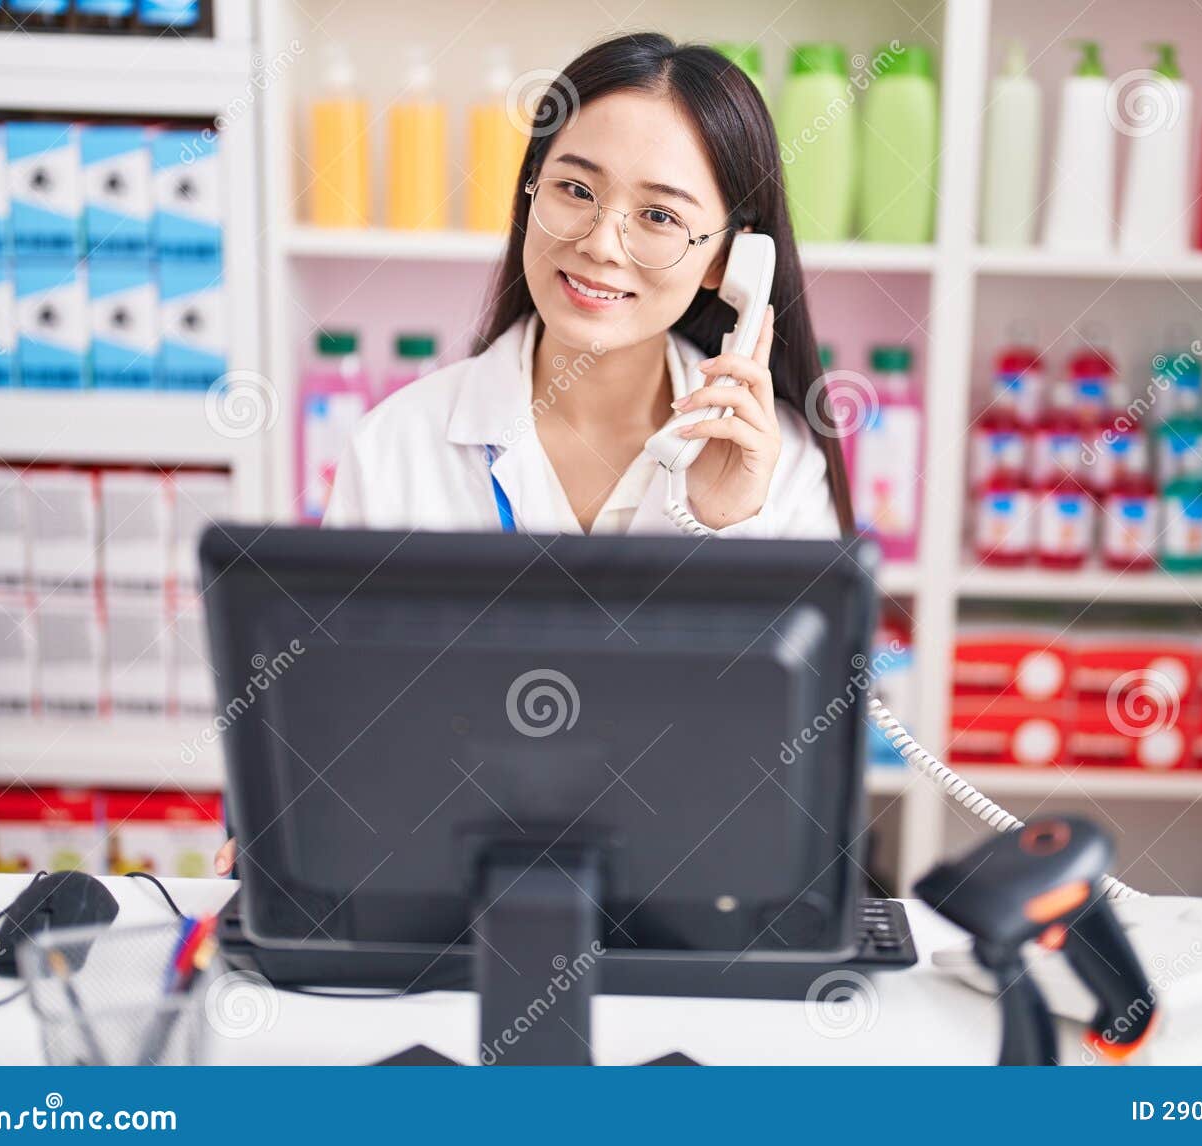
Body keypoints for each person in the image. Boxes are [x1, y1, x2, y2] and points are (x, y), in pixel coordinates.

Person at [216, 31, 856, 877]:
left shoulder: (781, 465)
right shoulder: (400, 442)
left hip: (684, 898)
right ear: (530, 196)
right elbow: (335, 721)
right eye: (575, 190)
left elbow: (776, 775)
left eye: (659, 216)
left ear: (730, 264)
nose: (600, 243)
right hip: (440, 890)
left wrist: (717, 524)